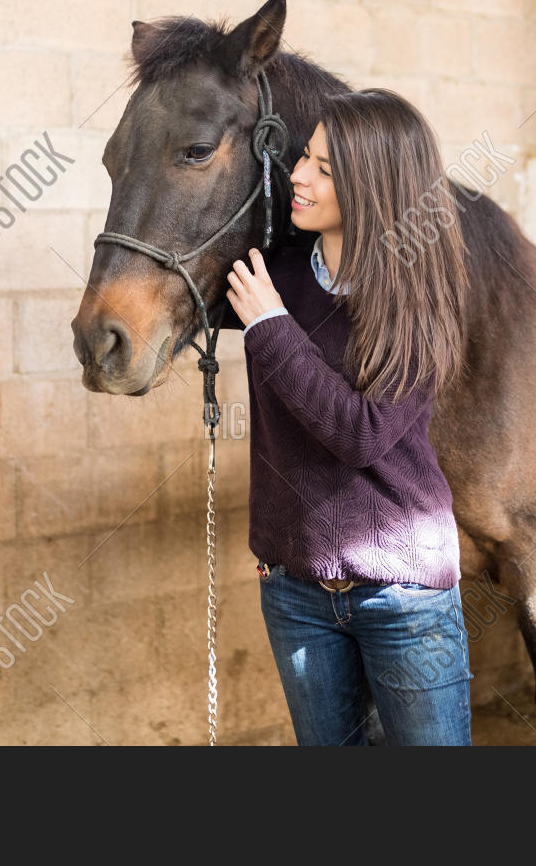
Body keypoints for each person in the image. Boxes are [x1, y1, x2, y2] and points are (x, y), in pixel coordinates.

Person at [223, 87, 474, 746]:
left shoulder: (419, 299)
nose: (298, 176)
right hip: (295, 589)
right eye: (305, 157)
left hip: (402, 594)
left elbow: (361, 435)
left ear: (375, 186)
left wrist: (271, 325)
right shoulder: (278, 274)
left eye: (324, 168)